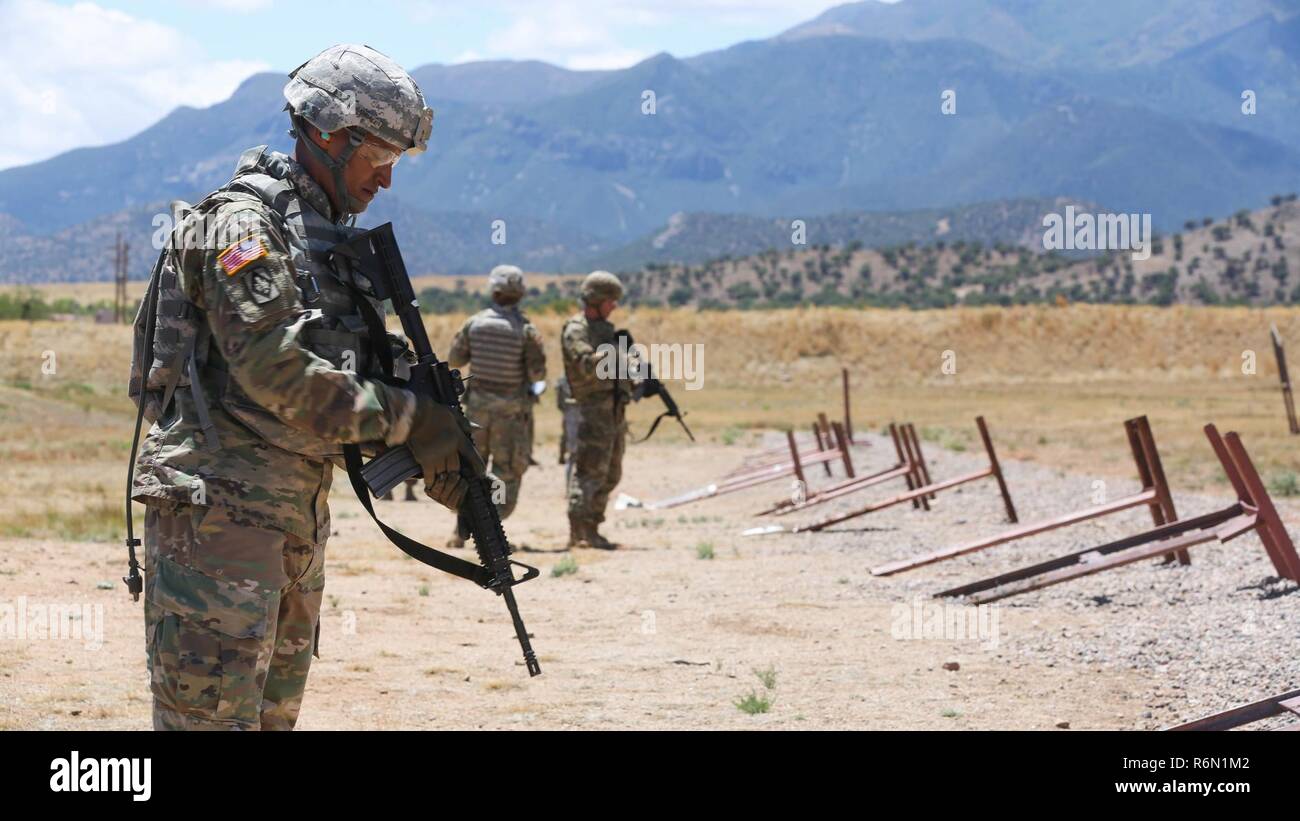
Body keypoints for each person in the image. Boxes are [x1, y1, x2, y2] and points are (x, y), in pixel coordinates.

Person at [128, 44, 466, 731]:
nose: (386, 182)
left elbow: (338, 382)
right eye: (380, 159)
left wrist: (432, 446)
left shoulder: (319, 241)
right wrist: (409, 420)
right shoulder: (242, 229)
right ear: (331, 136)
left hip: (289, 522)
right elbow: (278, 373)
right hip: (218, 523)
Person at [444, 265, 546, 547]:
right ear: (520, 294)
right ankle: (491, 532)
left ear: (494, 291)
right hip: (511, 416)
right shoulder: (526, 331)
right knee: (506, 473)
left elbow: (454, 359)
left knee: (469, 470)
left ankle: (461, 530)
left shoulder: (474, 324)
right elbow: (538, 374)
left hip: (475, 411)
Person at [560, 271, 632, 549]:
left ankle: (592, 527)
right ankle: (578, 531)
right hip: (591, 410)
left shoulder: (604, 329)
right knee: (589, 472)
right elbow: (585, 364)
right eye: (611, 300)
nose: (614, 306)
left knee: (611, 473)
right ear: (596, 300)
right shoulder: (577, 330)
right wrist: (616, 354)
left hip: (613, 410)